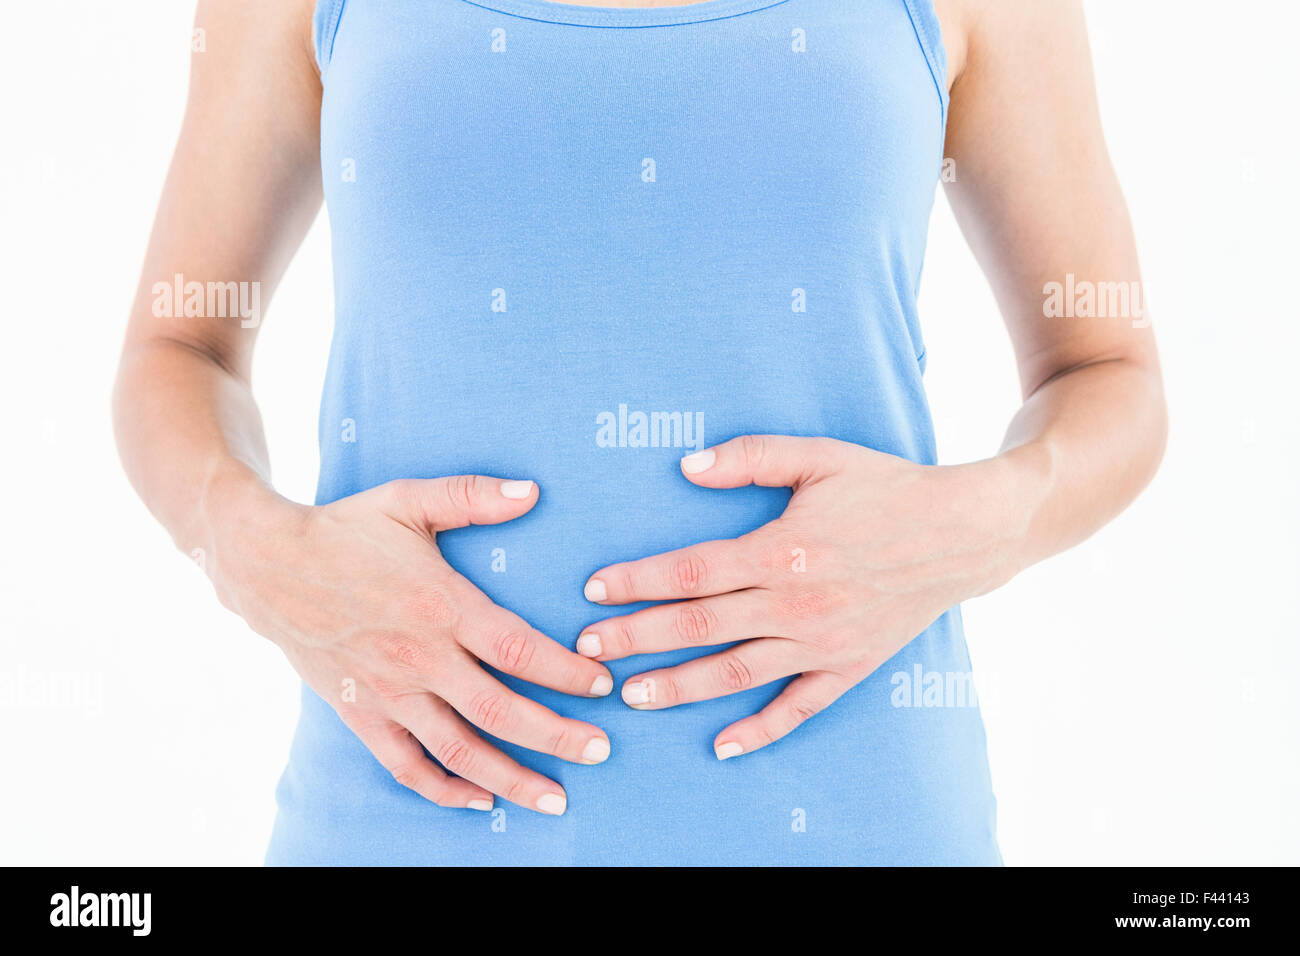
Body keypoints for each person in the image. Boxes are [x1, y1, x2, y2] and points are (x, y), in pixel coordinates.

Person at [113, 0, 1166, 865]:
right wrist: (260, 553)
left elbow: (1109, 374)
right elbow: (179, 346)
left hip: (857, 820)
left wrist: (980, 521)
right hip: (403, 816)